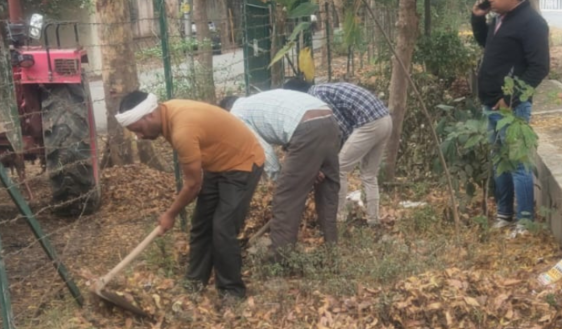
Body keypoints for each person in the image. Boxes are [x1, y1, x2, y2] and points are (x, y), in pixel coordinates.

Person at [116, 92, 265, 301]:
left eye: (137, 130)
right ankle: (194, 285)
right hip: (217, 164)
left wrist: (170, 214)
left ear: (149, 115)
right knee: (201, 224)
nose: (139, 137)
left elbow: (193, 185)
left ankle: (232, 293)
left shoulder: (182, 130)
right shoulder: (167, 113)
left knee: (223, 228)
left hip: (244, 162)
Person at [471, 0, 550, 234]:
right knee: (499, 162)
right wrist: (478, 19)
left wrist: (511, 99)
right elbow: (488, 45)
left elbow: (539, 67)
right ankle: (504, 214)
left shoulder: (532, 23)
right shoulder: (500, 20)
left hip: (512, 108)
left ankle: (525, 221)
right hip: (490, 104)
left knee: (518, 163)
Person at [219, 90, 341, 259]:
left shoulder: (235, 116)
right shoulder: (254, 103)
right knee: (328, 188)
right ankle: (332, 251)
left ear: (226, 110)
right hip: (328, 119)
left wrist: (281, 179)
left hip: (304, 127)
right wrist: (308, 169)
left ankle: (281, 257)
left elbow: (264, 152)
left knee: (286, 197)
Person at [283, 78, 391, 226]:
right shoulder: (323, 89)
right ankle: (374, 221)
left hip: (369, 123)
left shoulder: (316, 98)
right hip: (385, 120)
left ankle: (339, 217)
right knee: (369, 175)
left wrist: (326, 159)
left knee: (339, 169)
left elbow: (338, 128)